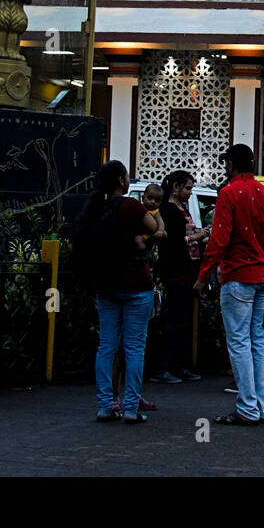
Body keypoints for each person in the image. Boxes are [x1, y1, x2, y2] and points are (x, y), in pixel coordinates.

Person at [194, 144, 264, 426]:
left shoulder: (229, 194)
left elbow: (219, 240)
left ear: (230, 165)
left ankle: (246, 407)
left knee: (239, 341)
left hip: (239, 275)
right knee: (256, 340)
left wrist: (203, 276)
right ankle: (260, 406)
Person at [73, 160, 158, 424]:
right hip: (136, 284)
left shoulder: (94, 209)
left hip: (106, 285)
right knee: (134, 347)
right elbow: (154, 228)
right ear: (122, 181)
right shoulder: (131, 206)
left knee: (107, 346)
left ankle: (105, 406)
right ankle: (131, 407)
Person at [147, 171, 202, 384]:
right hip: (175, 272)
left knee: (181, 321)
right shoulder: (168, 211)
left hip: (186, 271)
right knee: (172, 320)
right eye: (187, 188)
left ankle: (177, 365)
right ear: (176, 187)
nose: (189, 192)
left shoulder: (180, 209)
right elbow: (173, 242)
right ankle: (161, 367)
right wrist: (195, 237)